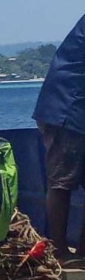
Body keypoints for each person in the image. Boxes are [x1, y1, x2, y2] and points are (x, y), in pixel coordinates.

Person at [33, 13, 85, 263]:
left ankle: (82, 251)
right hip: (68, 106)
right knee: (62, 182)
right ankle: (60, 251)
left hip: (74, 106)